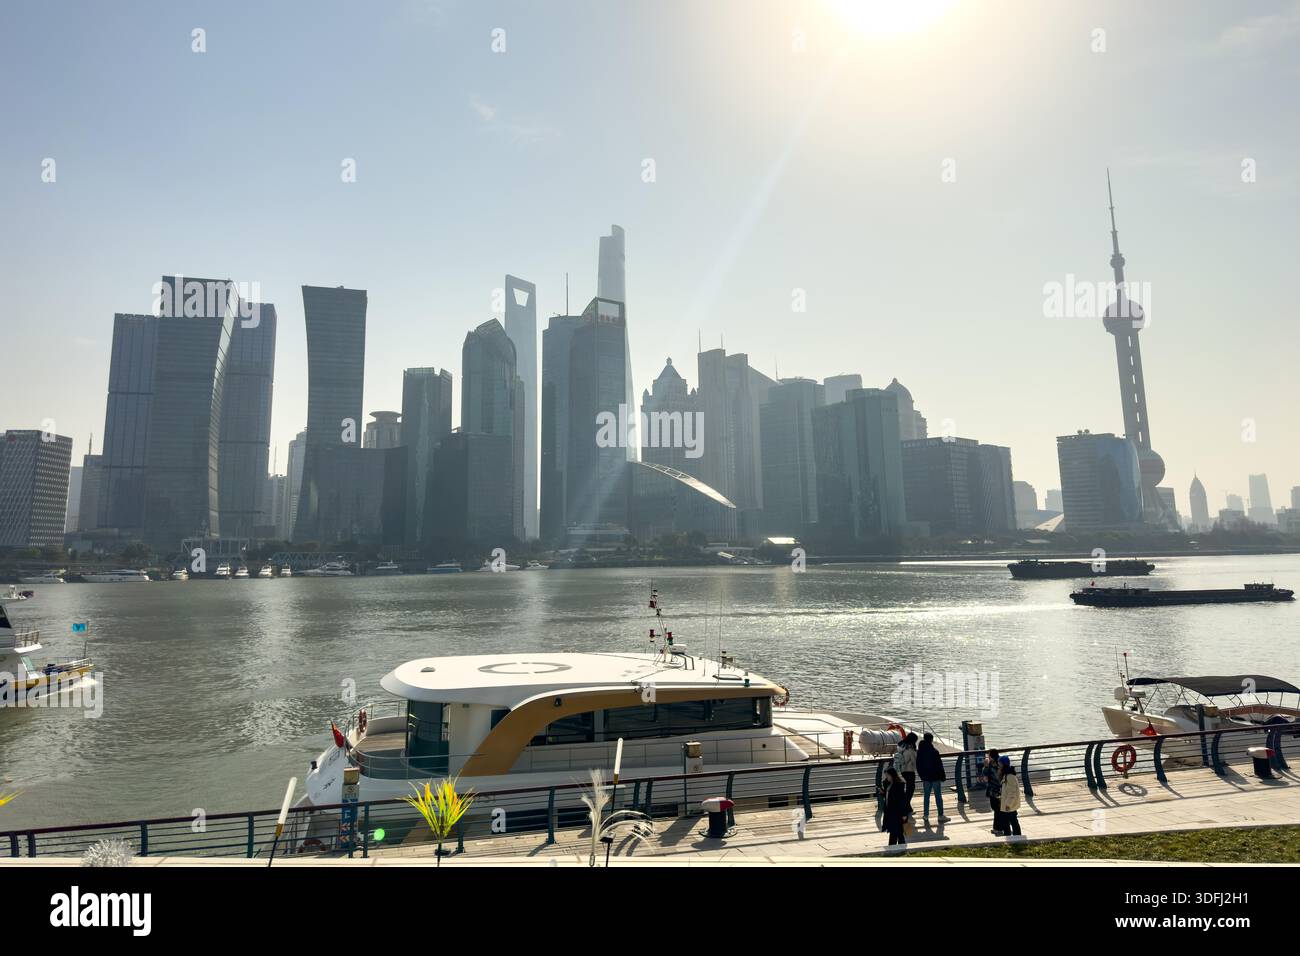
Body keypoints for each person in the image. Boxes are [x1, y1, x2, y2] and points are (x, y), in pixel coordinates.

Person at [917, 731, 950, 825]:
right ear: (931, 740)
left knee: (926, 797)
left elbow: (918, 765)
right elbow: (940, 765)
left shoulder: (920, 751)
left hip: (926, 778)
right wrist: (943, 776)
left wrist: (921, 776)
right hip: (935, 777)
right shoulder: (934, 752)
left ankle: (926, 815)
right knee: (938, 796)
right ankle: (940, 815)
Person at [881, 766, 912, 847]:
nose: (886, 777)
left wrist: (904, 814)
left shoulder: (898, 785)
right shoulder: (889, 784)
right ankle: (898, 848)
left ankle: (893, 848)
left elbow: (902, 800)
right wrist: (883, 793)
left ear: (892, 775)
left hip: (897, 813)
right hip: (891, 812)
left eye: (887, 775)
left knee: (896, 832)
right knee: (897, 832)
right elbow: (890, 797)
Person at [998, 756, 1022, 836]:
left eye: (1000, 763)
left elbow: (1012, 792)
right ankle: (1009, 836)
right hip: (1007, 804)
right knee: (1007, 821)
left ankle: (1017, 836)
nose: (999, 765)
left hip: (1009, 805)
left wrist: (1008, 804)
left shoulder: (1010, 776)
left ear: (1004, 764)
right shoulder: (1006, 774)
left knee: (1013, 821)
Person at [893, 732, 918, 802]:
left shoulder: (900, 746)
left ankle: (905, 806)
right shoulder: (910, 748)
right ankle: (906, 805)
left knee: (902, 789)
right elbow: (914, 761)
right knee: (910, 789)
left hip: (901, 771)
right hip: (909, 771)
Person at [984, 748, 1003, 835]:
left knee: (997, 809)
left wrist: (986, 765)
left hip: (994, 791)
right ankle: (999, 827)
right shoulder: (1001, 763)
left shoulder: (992, 764)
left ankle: (998, 828)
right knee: (998, 809)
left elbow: (985, 774)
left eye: (988, 755)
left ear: (991, 756)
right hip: (1001, 790)